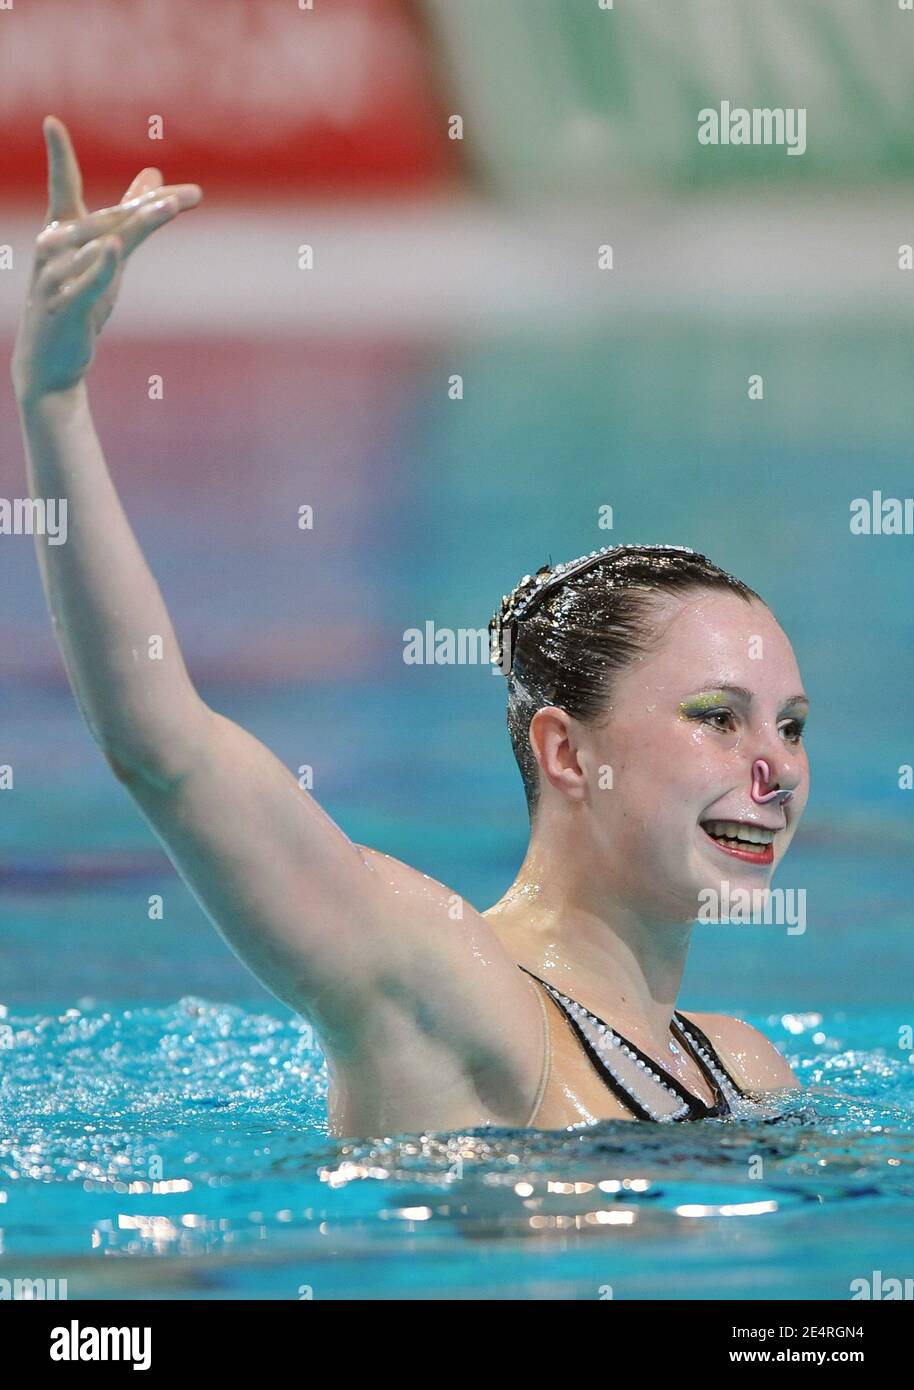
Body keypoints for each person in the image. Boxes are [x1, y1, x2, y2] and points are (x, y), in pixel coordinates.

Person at [12, 117, 803, 1136]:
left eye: (789, 726)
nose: (772, 766)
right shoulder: (454, 990)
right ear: (564, 750)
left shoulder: (745, 1069)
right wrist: (55, 400)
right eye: (716, 717)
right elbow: (165, 750)